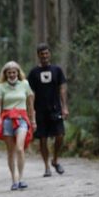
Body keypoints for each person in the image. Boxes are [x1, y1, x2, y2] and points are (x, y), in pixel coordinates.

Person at [0, 61, 35, 191]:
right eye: (9, 72)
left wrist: (33, 120)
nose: (11, 74)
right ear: (5, 74)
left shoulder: (25, 84)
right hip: (7, 119)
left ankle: (21, 178)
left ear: (18, 72)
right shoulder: (1, 86)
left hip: (22, 118)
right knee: (10, 151)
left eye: (13, 72)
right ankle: (14, 180)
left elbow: (31, 103)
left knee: (20, 148)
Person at [27, 43, 69, 177]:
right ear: (38, 55)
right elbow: (30, 93)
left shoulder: (57, 70)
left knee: (60, 135)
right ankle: (46, 167)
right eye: (41, 54)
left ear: (49, 54)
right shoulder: (33, 73)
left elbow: (62, 88)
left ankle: (55, 160)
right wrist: (31, 111)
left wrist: (64, 107)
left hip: (55, 108)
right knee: (43, 139)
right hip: (40, 110)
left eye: (46, 53)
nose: (44, 56)